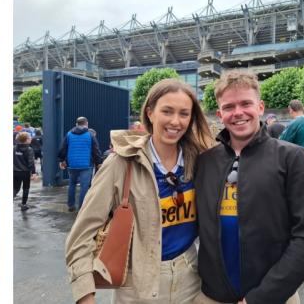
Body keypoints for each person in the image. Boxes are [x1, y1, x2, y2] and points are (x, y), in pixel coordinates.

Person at [66, 79, 213, 303]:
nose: (175, 121)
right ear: (150, 113)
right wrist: (85, 295)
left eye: (184, 113)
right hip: (138, 286)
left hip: (191, 279)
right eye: (167, 111)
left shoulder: (200, 160)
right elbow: (81, 235)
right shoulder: (120, 163)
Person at [195, 70, 304, 303]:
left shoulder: (292, 158)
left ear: (260, 107)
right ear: (219, 114)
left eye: (246, 103)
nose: (238, 112)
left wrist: (262, 297)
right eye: (229, 107)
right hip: (213, 295)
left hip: (273, 297)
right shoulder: (205, 162)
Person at [57, 116, 102, 212]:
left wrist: (62, 160)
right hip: (86, 165)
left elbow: (63, 148)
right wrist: (98, 162)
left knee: (72, 184)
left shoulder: (69, 134)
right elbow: (96, 150)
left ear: (76, 124)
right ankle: (82, 208)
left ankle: (71, 205)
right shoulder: (90, 135)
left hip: (72, 164)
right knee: (84, 187)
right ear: (86, 124)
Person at [278, 99, 304, 166]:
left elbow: (282, 142)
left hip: (299, 163)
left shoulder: (293, 124)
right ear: (303, 108)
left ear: (291, 110)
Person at [13, 131, 35, 212]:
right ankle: (23, 204)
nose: (31, 138)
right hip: (25, 172)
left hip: (15, 172)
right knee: (26, 188)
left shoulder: (14, 148)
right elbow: (31, 162)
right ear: (26, 140)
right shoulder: (29, 149)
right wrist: (33, 173)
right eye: (29, 137)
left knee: (15, 188)